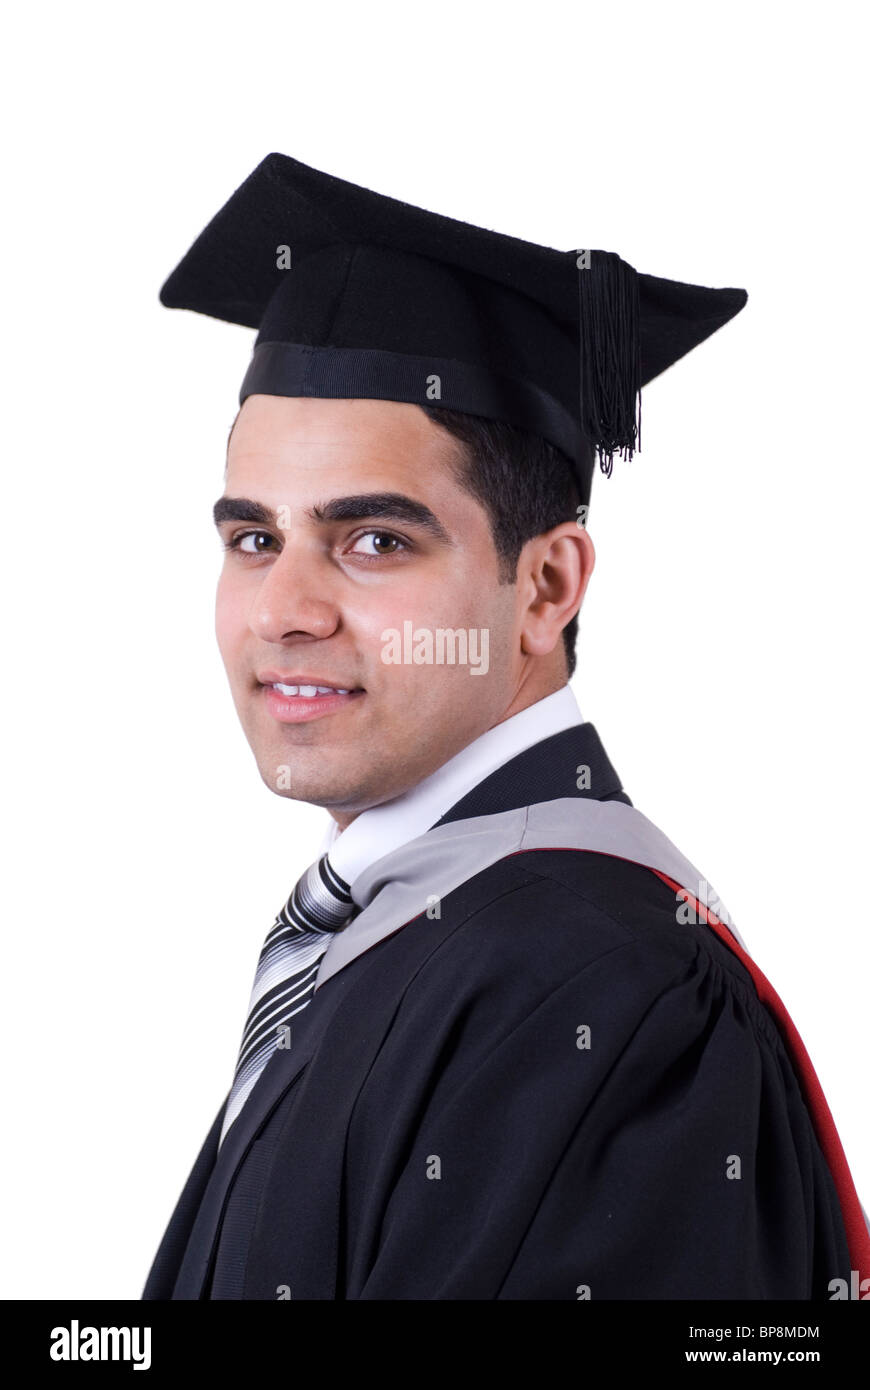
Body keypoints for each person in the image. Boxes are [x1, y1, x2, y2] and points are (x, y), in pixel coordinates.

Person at [142, 152, 869, 1300]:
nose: (284, 610)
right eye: (253, 539)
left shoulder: (603, 993)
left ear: (545, 587)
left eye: (374, 539)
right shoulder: (413, 942)